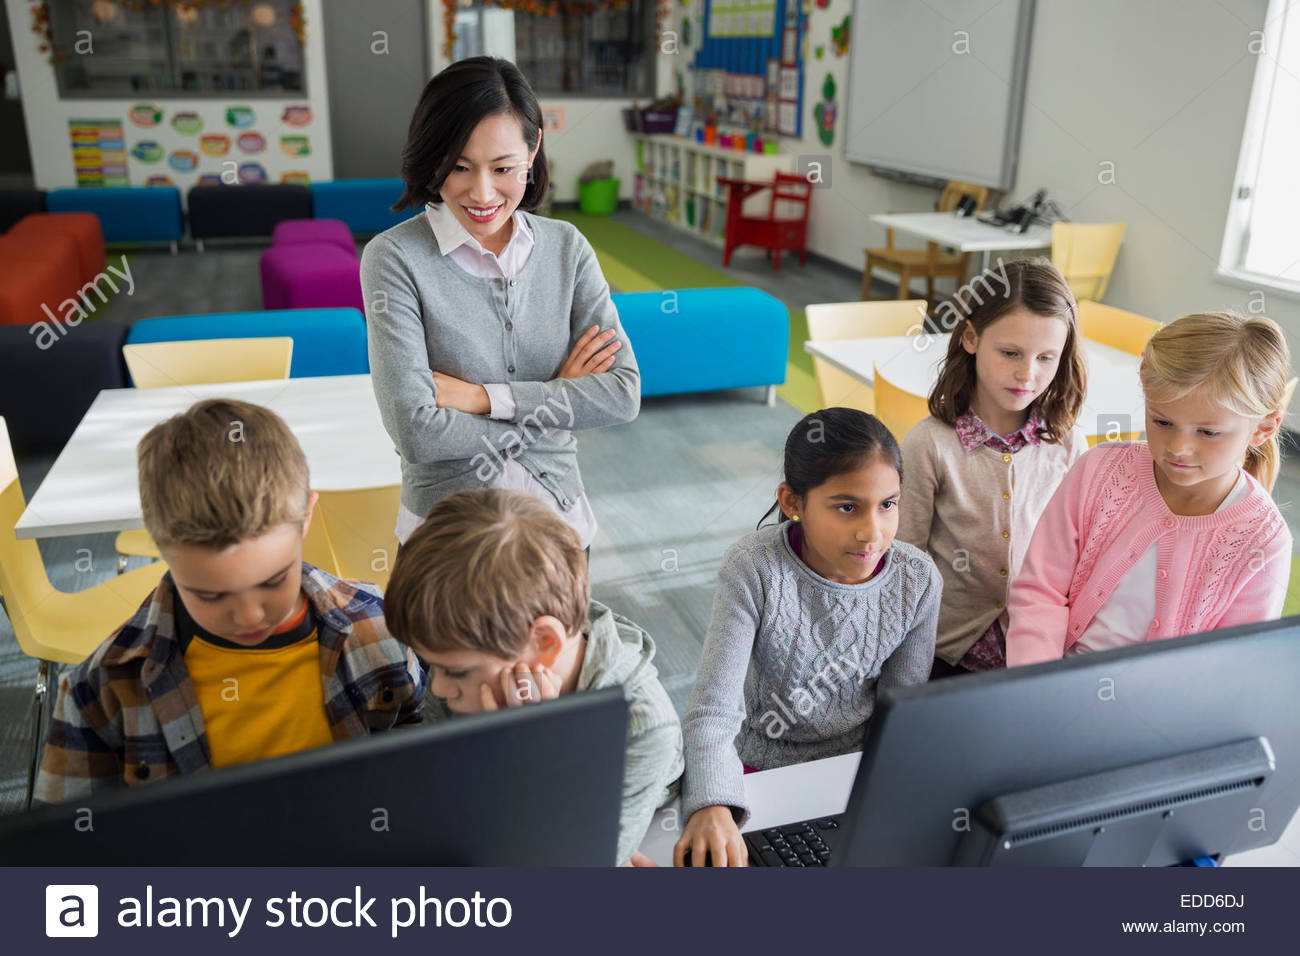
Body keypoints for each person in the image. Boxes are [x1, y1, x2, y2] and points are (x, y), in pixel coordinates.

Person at [34, 399, 425, 803]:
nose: (249, 616)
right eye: (210, 594)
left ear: (306, 516)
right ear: (158, 543)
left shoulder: (377, 629)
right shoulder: (99, 690)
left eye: (273, 580)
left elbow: (414, 739)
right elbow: (71, 838)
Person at [362, 56, 639, 552]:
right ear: (433, 159)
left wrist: (482, 398)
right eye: (459, 167)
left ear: (533, 151)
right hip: (448, 542)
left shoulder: (567, 248)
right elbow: (416, 432)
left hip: (559, 530)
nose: (482, 192)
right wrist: (556, 398)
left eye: (503, 168)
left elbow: (621, 394)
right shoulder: (395, 258)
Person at [676, 408, 942, 866]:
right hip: (759, 772)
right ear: (792, 501)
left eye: (888, 505)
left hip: (856, 773)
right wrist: (711, 804)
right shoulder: (754, 568)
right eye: (847, 507)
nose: (872, 532)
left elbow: (902, 717)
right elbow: (713, 711)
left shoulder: (917, 579)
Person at [383, 488, 683, 867]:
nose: (438, 687)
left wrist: (522, 761)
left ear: (544, 642)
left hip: (650, 825)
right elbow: (435, 796)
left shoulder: (642, 725)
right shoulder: (464, 654)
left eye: (455, 671)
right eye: (432, 665)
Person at [1006, 312, 1293, 665]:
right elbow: (1040, 589)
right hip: (1048, 681)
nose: (1178, 448)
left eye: (1208, 432)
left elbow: (1231, 664)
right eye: (1162, 422)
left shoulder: (1264, 541)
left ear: (1263, 429)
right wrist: (1040, 682)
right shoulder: (1098, 470)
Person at [897, 258, 1089, 676]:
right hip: (942, 652)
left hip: (1037, 653)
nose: (1027, 374)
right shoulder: (929, 443)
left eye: (1046, 357)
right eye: (1010, 353)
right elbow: (904, 560)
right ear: (971, 338)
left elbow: (1079, 556)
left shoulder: (1070, 445)